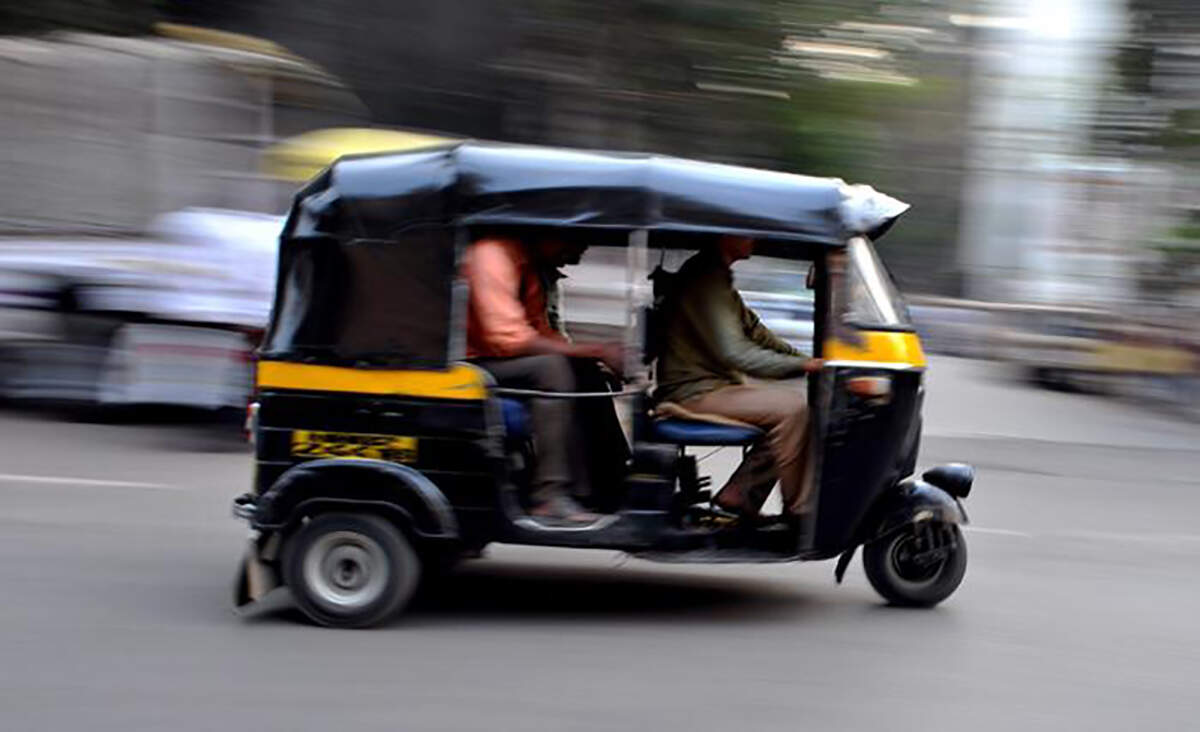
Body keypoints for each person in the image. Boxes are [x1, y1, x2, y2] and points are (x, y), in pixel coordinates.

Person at [462, 230, 627, 526]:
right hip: (469, 365)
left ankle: (608, 482)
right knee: (551, 368)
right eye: (573, 241)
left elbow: (540, 332)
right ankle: (549, 496)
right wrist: (598, 349)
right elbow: (506, 338)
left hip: (499, 358)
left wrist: (592, 356)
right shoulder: (492, 254)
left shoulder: (530, 266)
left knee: (586, 369)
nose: (579, 250)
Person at [654, 235, 823, 520]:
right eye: (747, 233)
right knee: (793, 410)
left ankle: (740, 494)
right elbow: (738, 354)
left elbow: (755, 332)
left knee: (795, 410)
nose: (755, 239)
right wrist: (803, 366)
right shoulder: (705, 279)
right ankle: (801, 513)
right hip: (694, 394)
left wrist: (805, 359)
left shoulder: (717, 278)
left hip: (714, 388)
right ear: (725, 237)